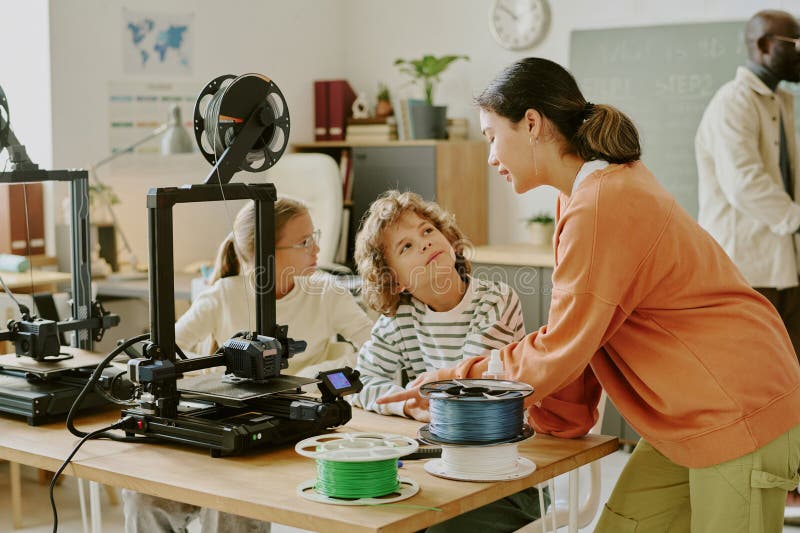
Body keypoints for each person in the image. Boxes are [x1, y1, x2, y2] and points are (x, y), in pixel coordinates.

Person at [380, 57, 800, 532]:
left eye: (492, 136)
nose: (492, 156)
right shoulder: (582, 196)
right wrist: (553, 415)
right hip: (694, 413)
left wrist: (456, 383)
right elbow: (581, 333)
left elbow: (564, 345)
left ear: (533, 124)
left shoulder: (601, 202)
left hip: (737, 403)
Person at [122, 198, 374, 533]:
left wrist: (313, 375)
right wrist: (213, 379)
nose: (317, 249)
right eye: (304, 242)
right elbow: (164, 351)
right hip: (225, 421)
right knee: (142, 498)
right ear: (267, 255)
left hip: (293, 428)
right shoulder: (222, 295)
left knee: (231, 502)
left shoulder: (325, 291)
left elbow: (374, 347)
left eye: (315, 237)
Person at [350, 191, 545, 533]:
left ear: (450, 242)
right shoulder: (400, 317)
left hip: (507, 478)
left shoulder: (495, 300)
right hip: (437, 470)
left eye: (427, 231)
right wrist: (408, 407)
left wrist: (421, 395)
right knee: (370, 518)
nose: (424, 244)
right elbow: (360, 381)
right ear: (394, 280)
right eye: (406, 247)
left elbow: (466, 391)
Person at [696, 9, 800, 361]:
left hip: (783, 268)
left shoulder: (780, 101)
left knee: (788, 378)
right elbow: (743, 182)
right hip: (744, 272)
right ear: (763, 45)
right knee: (752, 378)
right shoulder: (733, 102)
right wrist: (797, 218)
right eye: (795, 43)